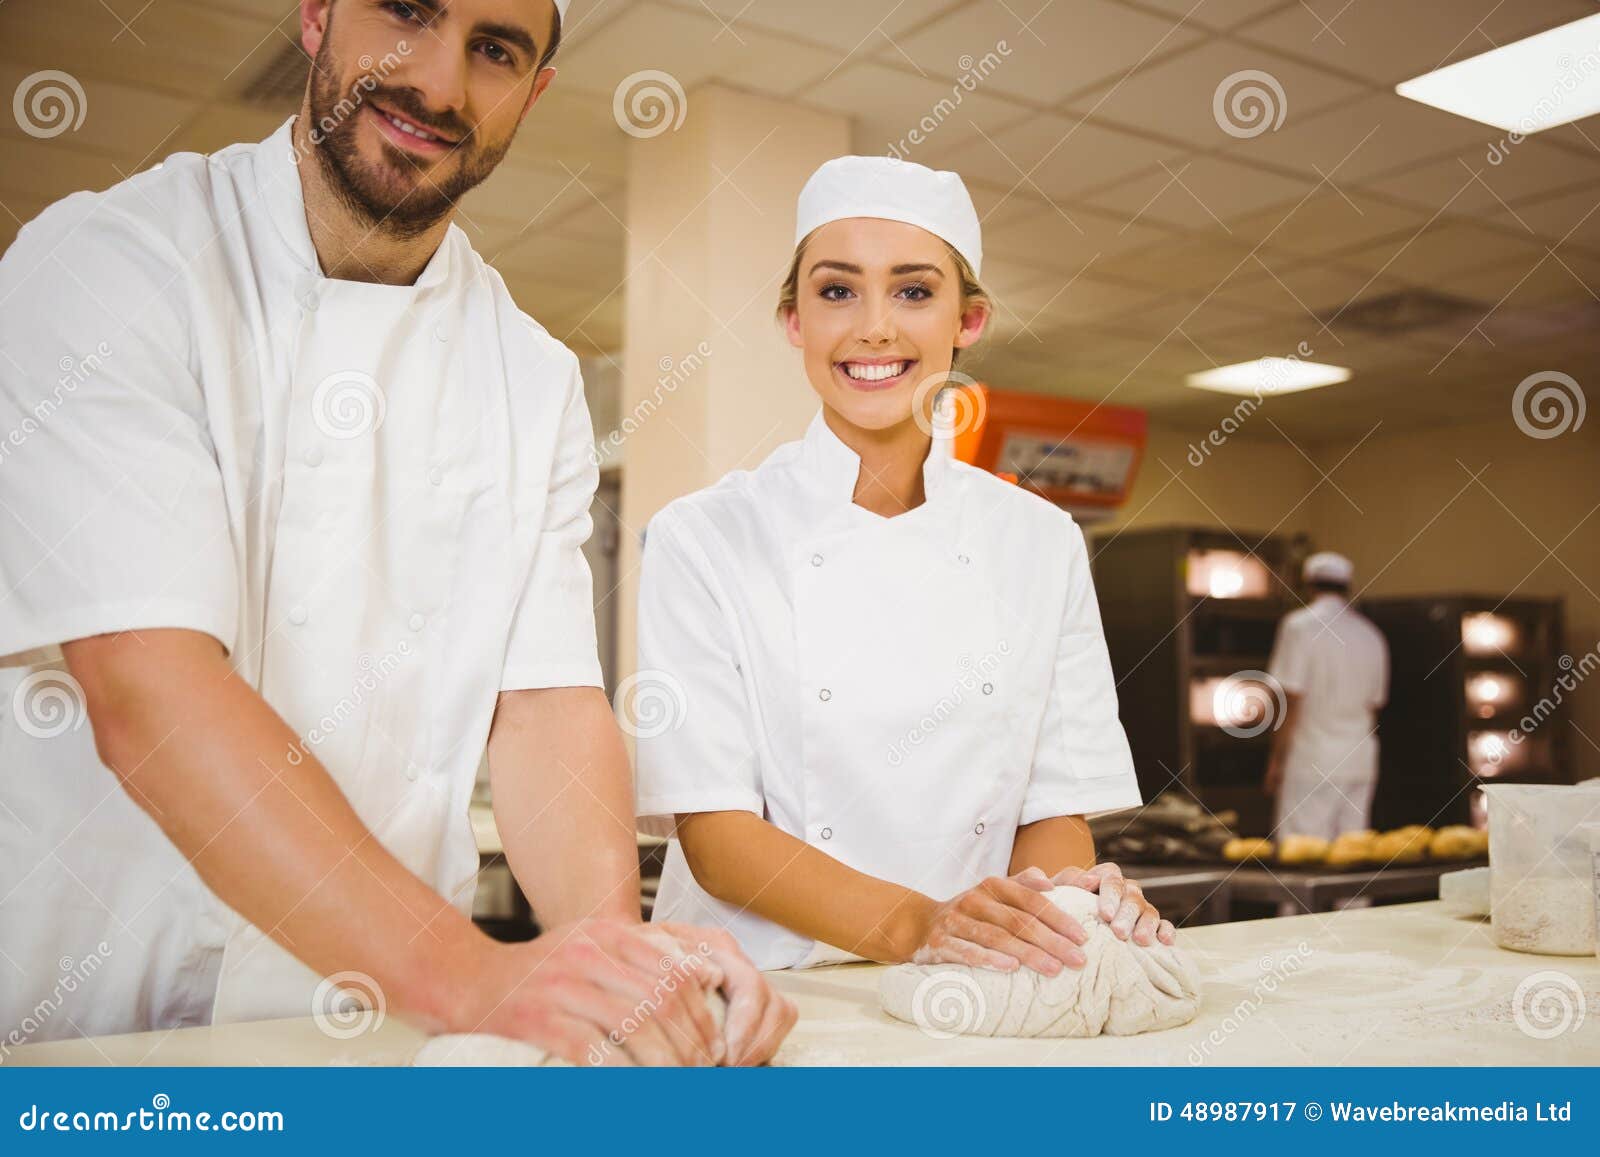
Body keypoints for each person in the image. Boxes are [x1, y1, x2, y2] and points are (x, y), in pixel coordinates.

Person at [0, 0, 793, 1065]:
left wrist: (610, 957)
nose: (439, 82)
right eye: (407, 11)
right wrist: (475, 974)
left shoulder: (531, 373)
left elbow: (546, 708)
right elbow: (149, 688)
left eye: (495, 49)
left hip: (367, 1037)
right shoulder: (111, 265)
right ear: (317, 12)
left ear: (535, 89)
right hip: (80, 1029)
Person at [632, 156, 1174, 976]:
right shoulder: (704, 537)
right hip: (766, 995)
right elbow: (720, 838)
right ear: (794, 321)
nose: (874, 327)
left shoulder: (1042, 541)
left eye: (915, 291)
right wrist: (923, 926)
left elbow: (1055, 804)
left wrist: (1066, 909)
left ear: (970, 320)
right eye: (837, 291)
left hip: (976, 989)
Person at [1264, 552, 1390, 841]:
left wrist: (1276, 759)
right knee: (1352, 853)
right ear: (1347, 586)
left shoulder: (1299, 626)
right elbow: (1374, 706)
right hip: (1359, 759)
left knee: (1303, 853)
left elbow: (1291, 699)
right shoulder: (1371, 634)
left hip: (1313, 760)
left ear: (1308, 584)